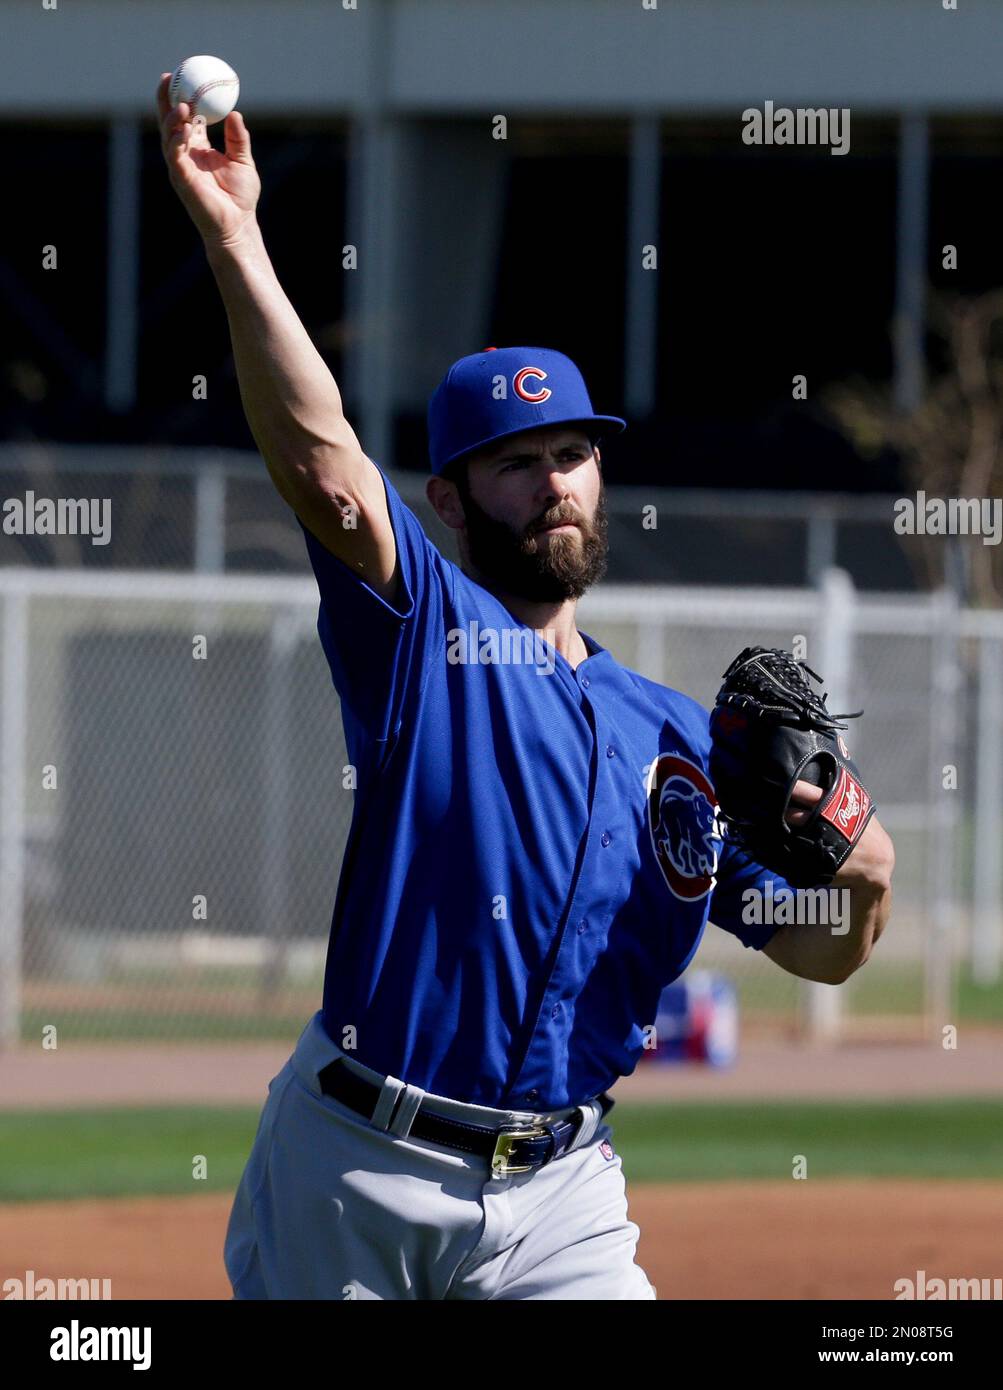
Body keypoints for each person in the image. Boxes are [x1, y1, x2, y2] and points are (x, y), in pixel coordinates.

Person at [157, 80, 895, 1300]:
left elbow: (815, 952)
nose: (553, 482)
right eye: (515, 464)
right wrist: (236, 236)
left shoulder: (683, 743)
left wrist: (863, 867)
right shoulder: (426, 641)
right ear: (449, 502)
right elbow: (325, 464)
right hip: (358, 1168)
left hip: (564, 1195)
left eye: (571, 454)